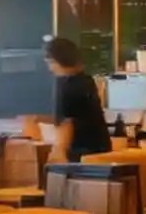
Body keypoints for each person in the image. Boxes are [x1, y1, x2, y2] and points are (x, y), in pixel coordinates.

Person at [44, 35, 110, 163]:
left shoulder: (66, 85)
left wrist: (58, 152)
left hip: (80, 154)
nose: (50, 68)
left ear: (55, 60)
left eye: (49, 62)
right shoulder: (86, 81)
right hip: (100, 151)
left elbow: (67, 123)